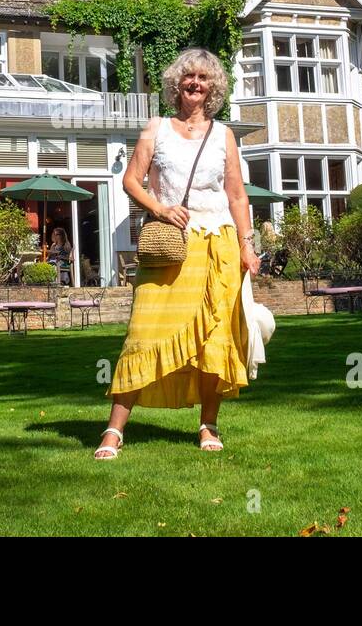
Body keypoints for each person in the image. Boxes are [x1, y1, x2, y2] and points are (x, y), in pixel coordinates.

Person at [93, 47, 258, 460]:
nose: (195, 84)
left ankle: (209, 423)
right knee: (143, 332)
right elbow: (131, 181)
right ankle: (113, 431)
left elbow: (237, 195)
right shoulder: (156, 128)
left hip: (217, 245)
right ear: (176, 83)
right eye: (189, 77)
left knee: (213, 338)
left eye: (203, 78)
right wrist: (160, 208)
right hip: (171, 247)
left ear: (213, 87)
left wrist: (246, 244)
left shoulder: (224, 135)